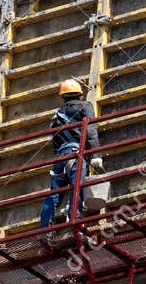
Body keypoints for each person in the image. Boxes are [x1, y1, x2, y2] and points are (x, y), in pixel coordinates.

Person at [39, 79, 101, 227]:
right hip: (76, 154)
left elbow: (55, 140)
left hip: (60, 157)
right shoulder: (85, 106)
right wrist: (95, 155)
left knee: (54, 194)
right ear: (80, 95)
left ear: (63, 97)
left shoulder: (57, 115)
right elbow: (91, 130)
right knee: (77, 188)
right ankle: (75, 222)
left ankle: (45, 228)